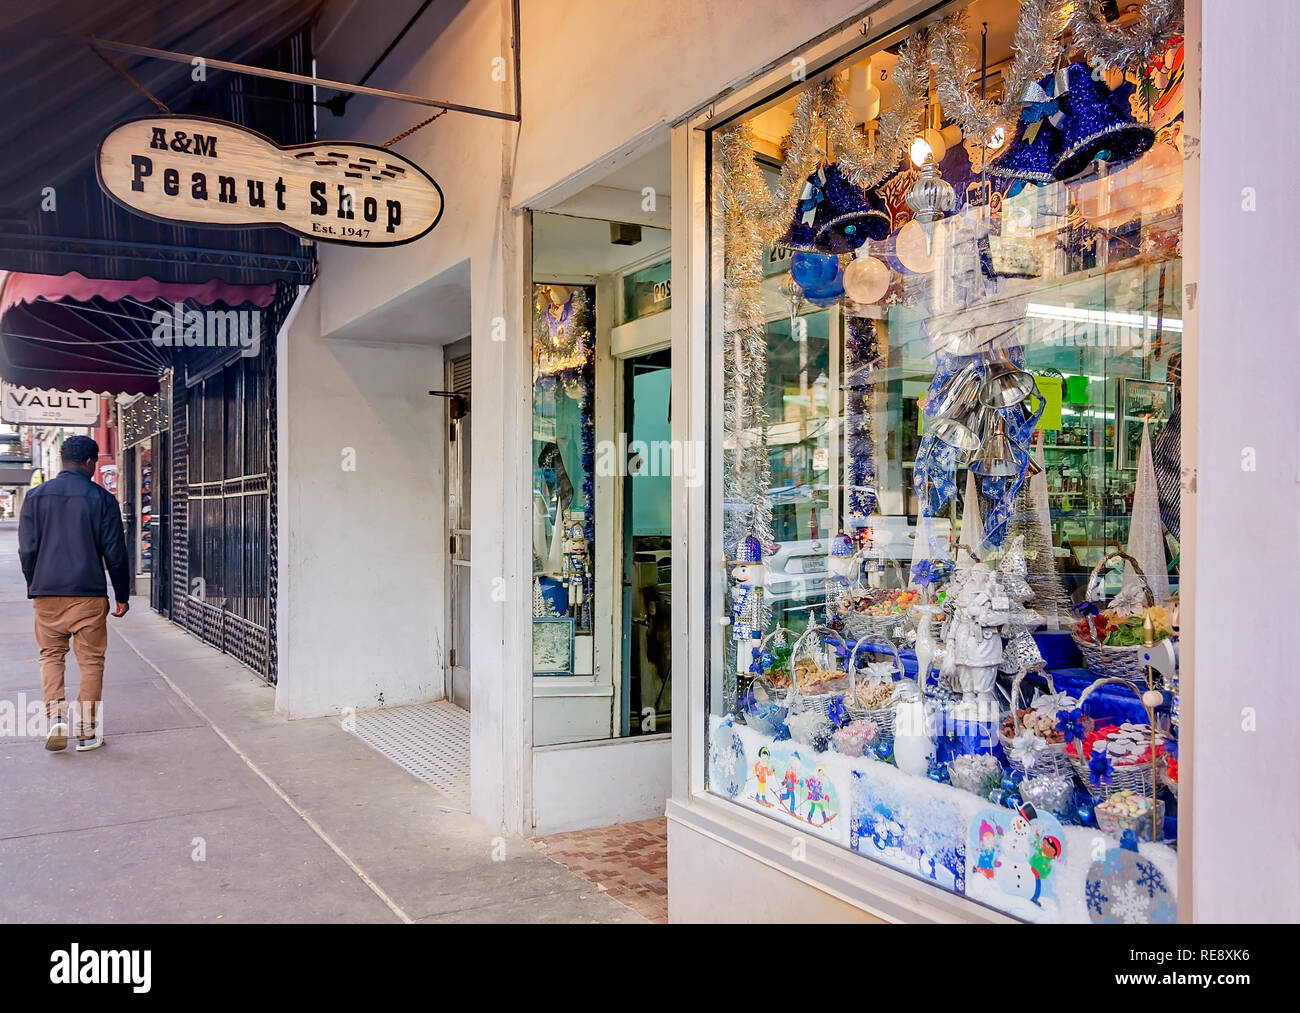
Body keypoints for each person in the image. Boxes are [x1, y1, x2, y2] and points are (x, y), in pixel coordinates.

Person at [18, 435, 129, 752]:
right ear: (91, 463)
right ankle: (85, 731)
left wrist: (34, 585)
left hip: (47, 593)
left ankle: (55, 719)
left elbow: (28, 549)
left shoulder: (36, 497)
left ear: (64, 459)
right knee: (91, 662)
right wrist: (121, 595)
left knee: (51, 656)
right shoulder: (102, 499)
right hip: (88, 594)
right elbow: (115, 553)